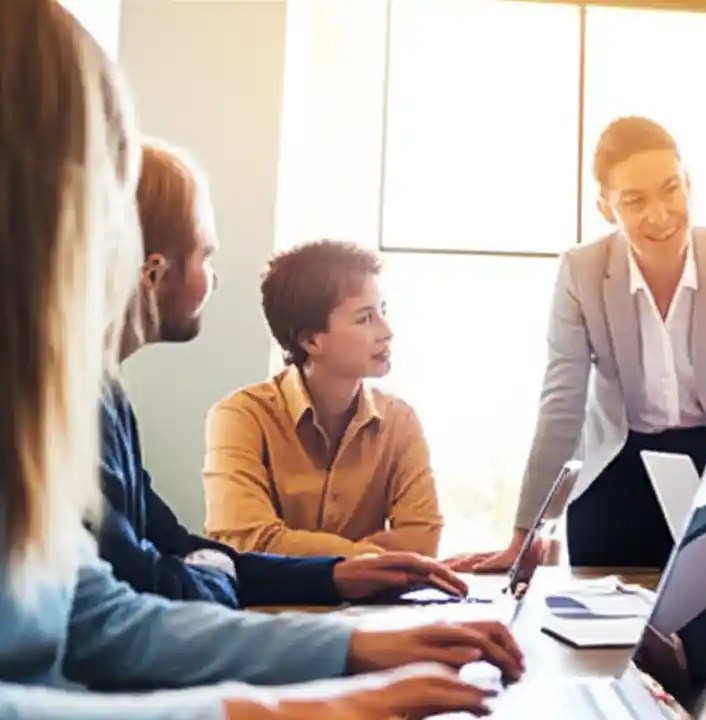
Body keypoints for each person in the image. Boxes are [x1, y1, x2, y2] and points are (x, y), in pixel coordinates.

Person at [0, 2, 521, 717]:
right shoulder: (220, 413)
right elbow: (173, 572)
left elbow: (98, 617)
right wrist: (298, 706)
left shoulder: (49, 391)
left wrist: (349, 639)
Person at [95, 141, 463, 607]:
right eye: (206, 256)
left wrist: (337, 574)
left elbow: (178, 547)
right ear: (153, 273)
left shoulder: (108, 395)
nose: (215, 277)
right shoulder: (84, 404)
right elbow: (159, 577)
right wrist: (222, 567)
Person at [449, 116, 706, 570]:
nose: (660, 214)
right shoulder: (581, 272)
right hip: (617, 463)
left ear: (689, 183)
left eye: (671, 189)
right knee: (603, 615)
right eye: (635, 200)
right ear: (607, 208)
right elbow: (562, 402)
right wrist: (524, 537)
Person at [203, 239, 444, 557]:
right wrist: (373, 559)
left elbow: (421, 541)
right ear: (310, 340)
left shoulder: (400, 420)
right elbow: (248, 542)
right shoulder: (241, 416)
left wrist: (299, 548)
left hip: (371, 607)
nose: (387, 331)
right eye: (365, 318)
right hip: (266, 607)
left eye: (382, 312)